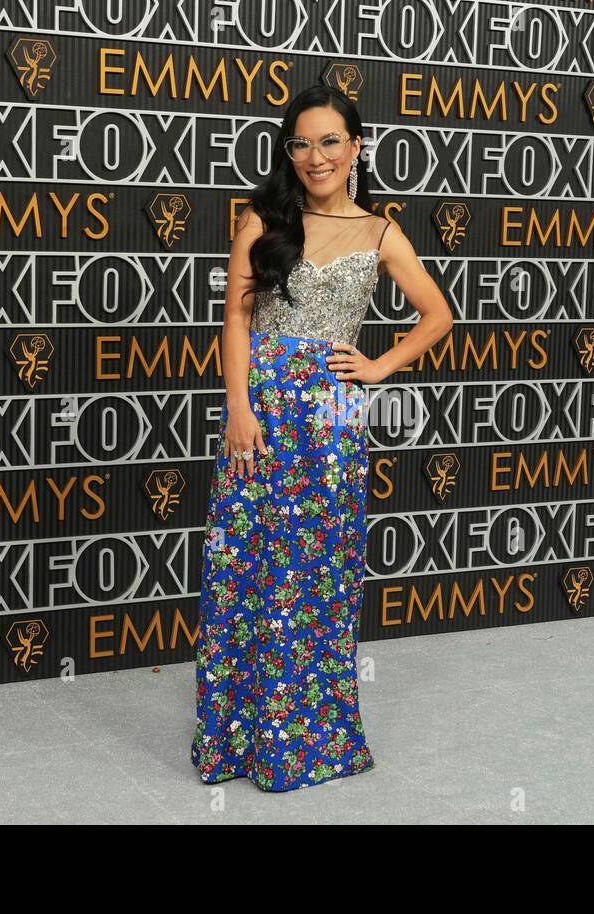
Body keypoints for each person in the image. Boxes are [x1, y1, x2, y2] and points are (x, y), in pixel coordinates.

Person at [190, 85, 453, 791]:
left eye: (331, 141)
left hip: (332, 424)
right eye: (302, 143)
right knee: (244, 570)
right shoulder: (264, 220)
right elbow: (237, 323)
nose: (316, 157)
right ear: (289, 151)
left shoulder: (380, 233)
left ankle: (311, 743)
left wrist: (376, 367)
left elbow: (437, 315)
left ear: (356, 147)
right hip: (261, 415)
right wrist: (238, 407)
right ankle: (238, 741)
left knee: (317, 579)